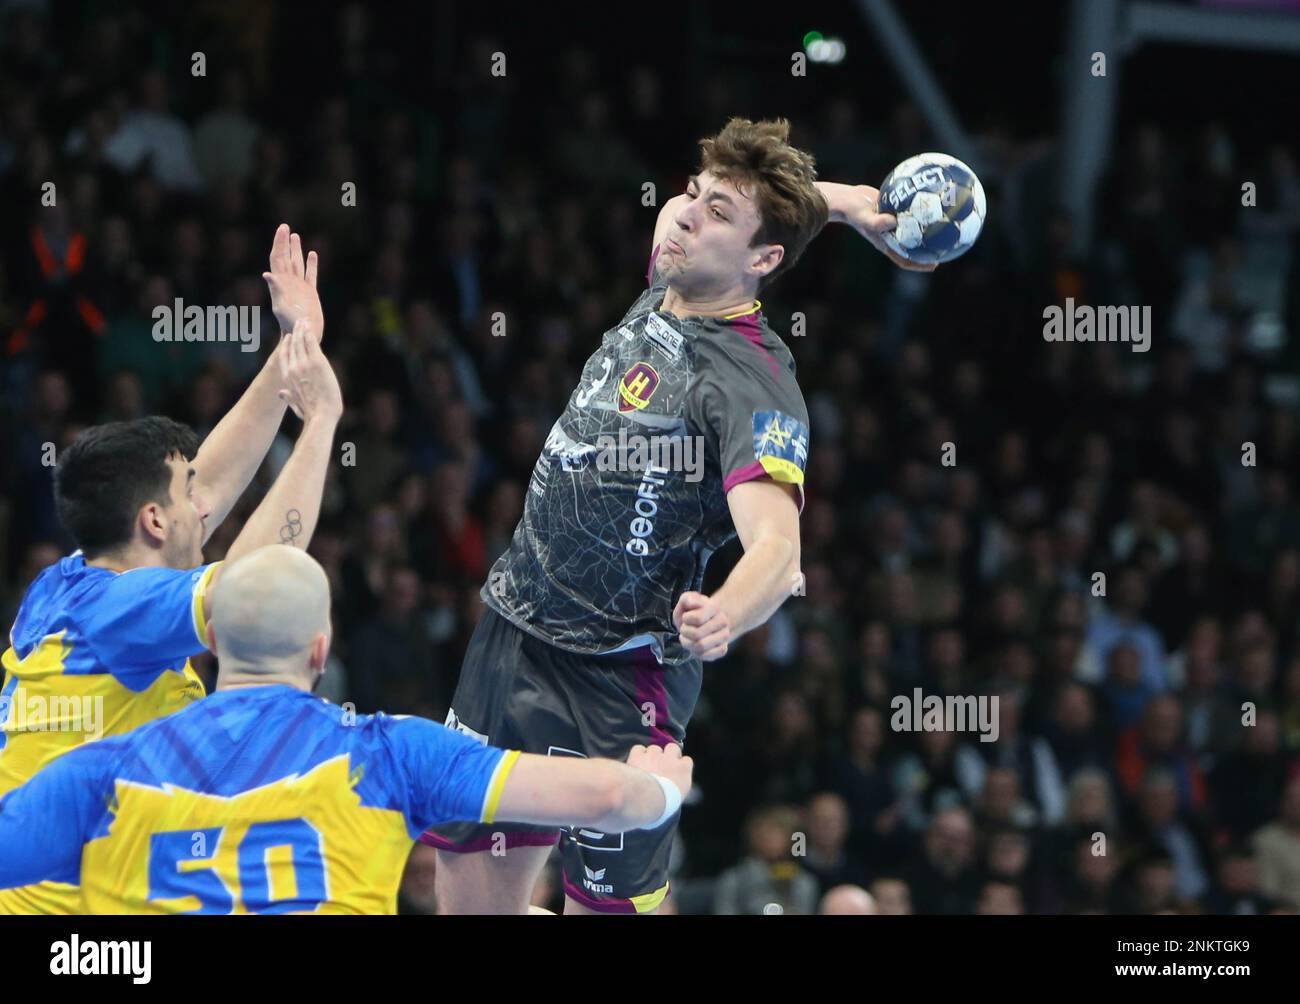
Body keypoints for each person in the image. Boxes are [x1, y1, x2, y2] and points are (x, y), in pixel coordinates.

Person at [428, 116, 929, 915]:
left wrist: (725, 613)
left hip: (621, 678)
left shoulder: (754, 382)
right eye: (694, 194)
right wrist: (843, 205)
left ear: (763, 262)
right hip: (512, 632)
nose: (685, 214)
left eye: (716, 213)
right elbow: (757, 214)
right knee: (467, 899)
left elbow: (777, 546)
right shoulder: (670, 276)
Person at [0, 546, 694, 914]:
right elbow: (600, 796)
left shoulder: (99, 772)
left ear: (208, 641)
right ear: (320, 651)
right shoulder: (390, 752)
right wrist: (657, 790)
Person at [0, 226, 333, 914]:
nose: (204, 508)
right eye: (185, 498)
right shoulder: (123, 608)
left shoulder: (65, 586)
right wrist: (322, 421)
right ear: (152, 521)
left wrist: (289, 350)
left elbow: (203, 490)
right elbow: (255, 595)